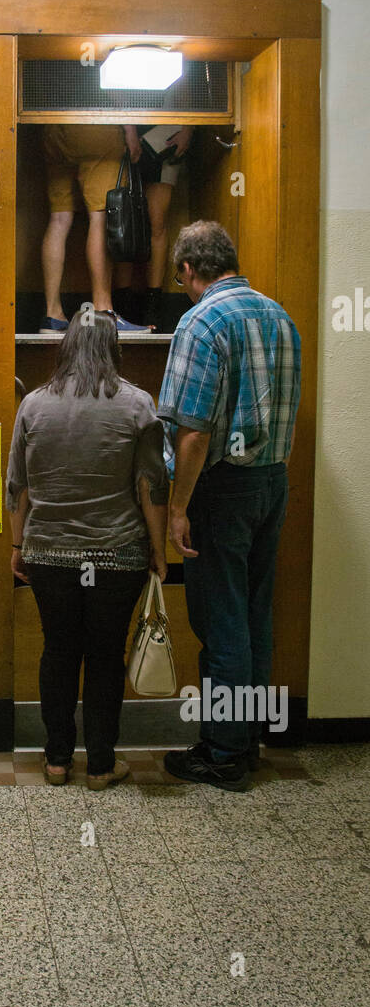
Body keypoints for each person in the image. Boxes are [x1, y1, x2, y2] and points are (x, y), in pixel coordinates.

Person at [157, 221, 301, 792]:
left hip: (222, 487)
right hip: (272, 482)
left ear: (190, 270)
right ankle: (248, 738)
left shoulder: (202, 321)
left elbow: (192, 434)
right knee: (253, 615)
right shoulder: (279, 316)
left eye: (181, 278)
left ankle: (221, 751)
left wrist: (177, 507)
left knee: (221, 621)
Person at [7, 310, 169, 788]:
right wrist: (158, 553)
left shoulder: (33, 406)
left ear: (67, 346)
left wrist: (18, 544)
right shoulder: (139, 405)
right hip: (118, 554)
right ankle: (100, 764)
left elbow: (18, 486)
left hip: (49, 553)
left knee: (58, 652)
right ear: (114, 348)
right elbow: (151, 486)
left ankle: (57, 760)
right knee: (104, 656)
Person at [40, 124, 153, 334]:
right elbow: (116, 91)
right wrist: (130, 129)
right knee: (100, 216)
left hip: (54, 128)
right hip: (95, 127)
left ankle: (52, 314)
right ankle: (103, 310)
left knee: (59, 219)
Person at [125, 124, 195, 330]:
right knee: (124, 220)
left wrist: (188, 130)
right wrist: (128, 129)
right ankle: (123, 303)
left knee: (157, 223)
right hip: (126, 129)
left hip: (165, 133)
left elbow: (190, 94)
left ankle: (152, 306)